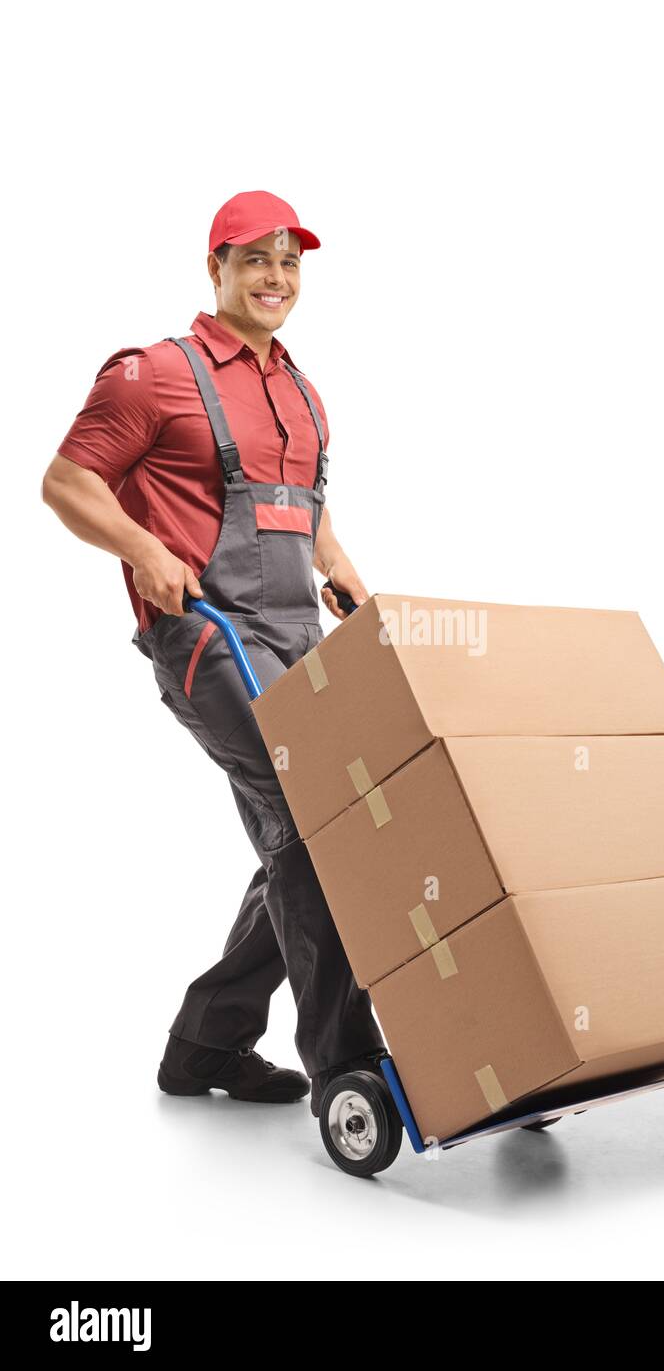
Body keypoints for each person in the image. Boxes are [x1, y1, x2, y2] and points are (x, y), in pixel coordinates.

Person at [42, 189, 388, 1117]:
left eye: (290, 262)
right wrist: (145, 551)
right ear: (216, 268)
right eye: (255, 259)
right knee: (308, 819)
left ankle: (207, 1042)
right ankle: (349, 1068)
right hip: (206, 633)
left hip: (297, 635)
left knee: (315, 830)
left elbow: (305, 507)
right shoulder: (153, 373)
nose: (275, 277)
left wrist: (342, 570)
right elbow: (67, 482)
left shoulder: (301, 389)